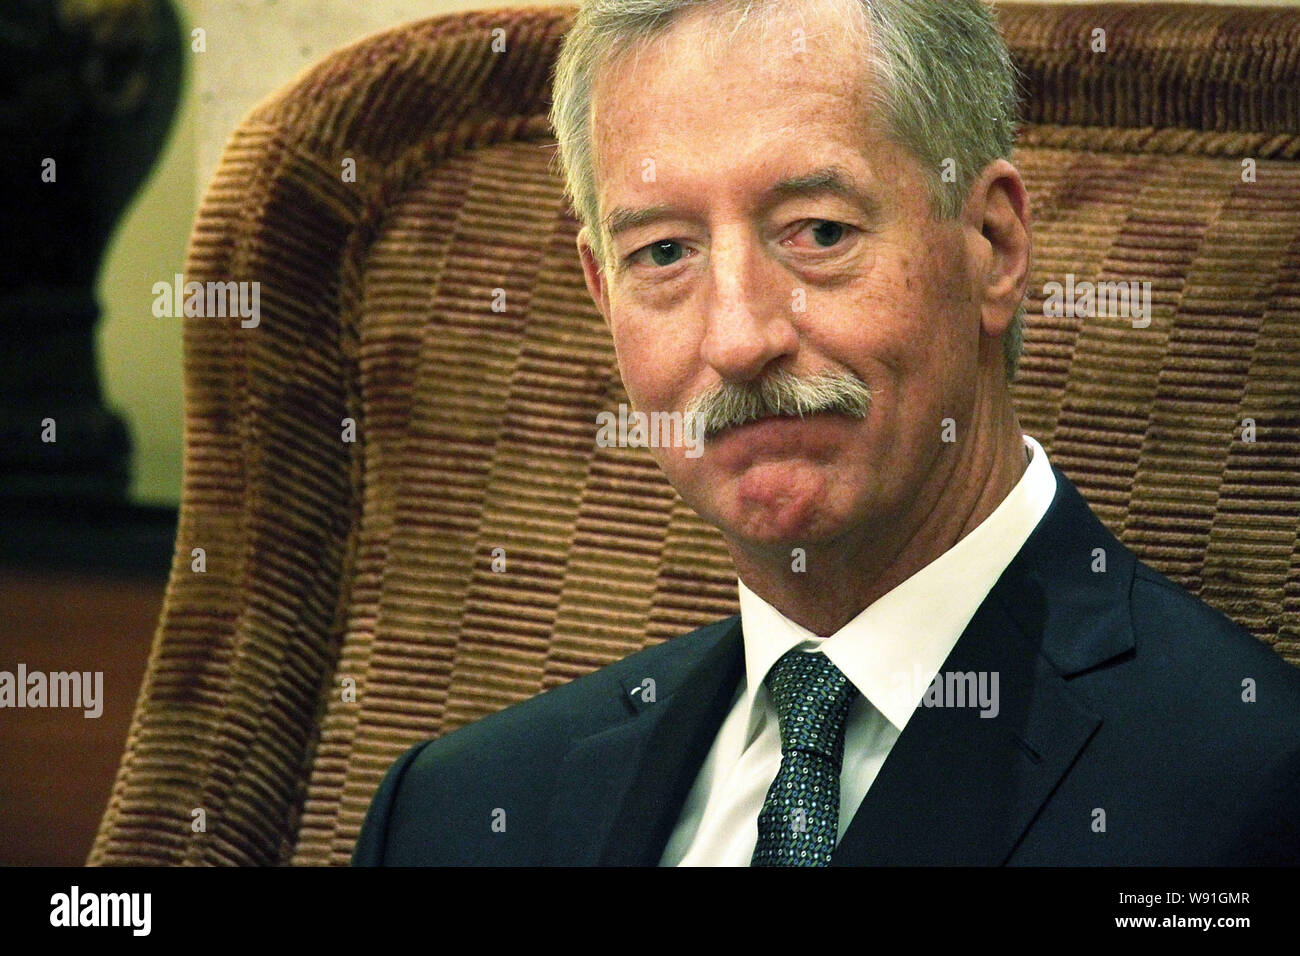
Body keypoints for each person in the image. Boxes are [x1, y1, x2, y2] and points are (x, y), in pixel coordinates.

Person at [353, 0, 1300, 866]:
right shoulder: (452, 814)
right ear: (603, 296)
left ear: (994, 248)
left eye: (817, 232)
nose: (736, 339)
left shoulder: (1247, 791)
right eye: (664, 254)